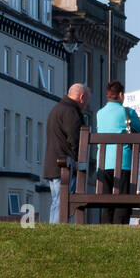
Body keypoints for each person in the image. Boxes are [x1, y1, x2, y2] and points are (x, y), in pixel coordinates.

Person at [96, 81, 140, 225]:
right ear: (121, 95)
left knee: (107, 200)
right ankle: (120, 226)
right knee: (123, 199)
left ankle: (106, 228)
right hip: (123, 163)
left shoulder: (100, 114)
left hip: (103, 163)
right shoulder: (127, 112)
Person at [43, 84, 89, 224]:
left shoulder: (57, 109)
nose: (86, 104)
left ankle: (53, 230)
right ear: (82, 97)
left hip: (53, 164)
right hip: (64, 167)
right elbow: (75, 140)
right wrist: (79, 161)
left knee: (57, 201)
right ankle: (57, 231)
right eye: (87, 100)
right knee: (63, 202)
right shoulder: (71, 111)